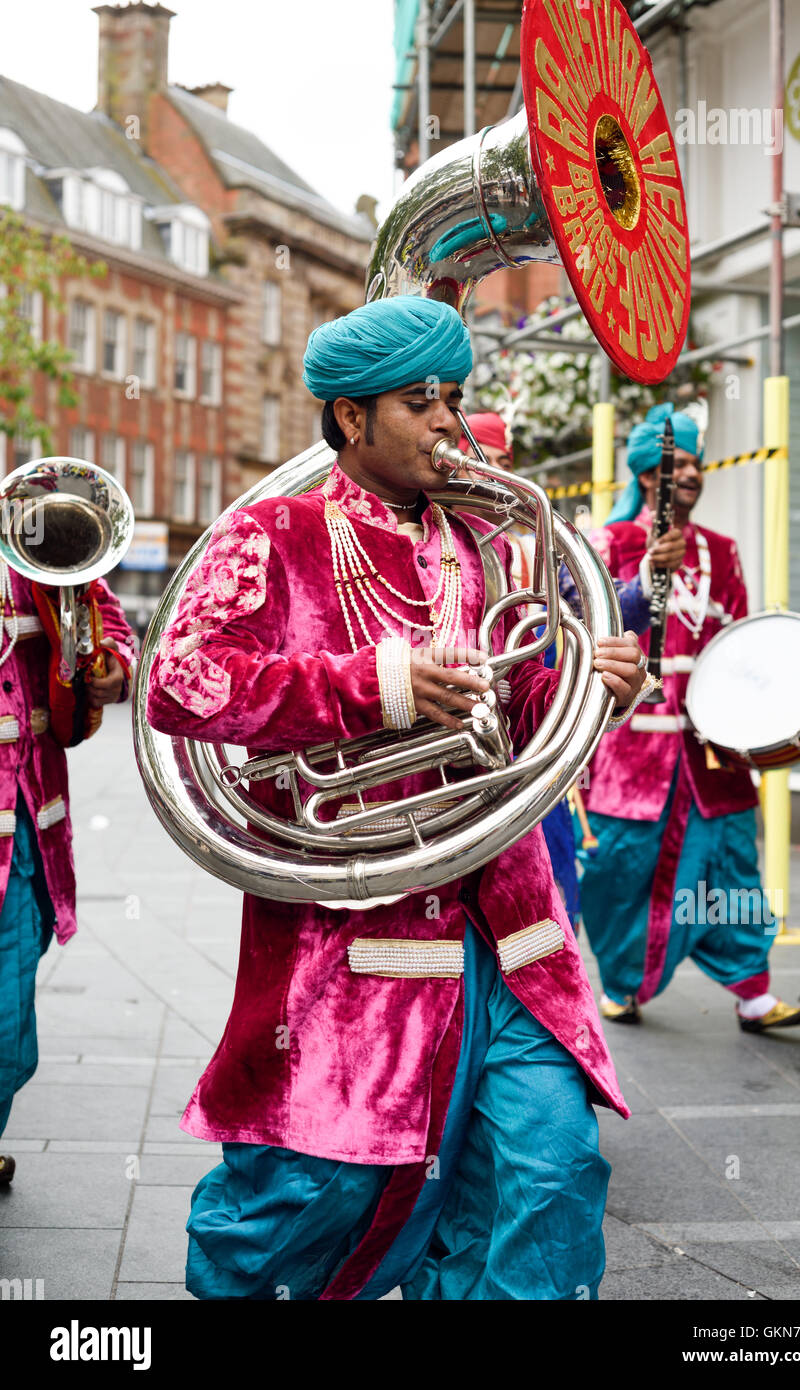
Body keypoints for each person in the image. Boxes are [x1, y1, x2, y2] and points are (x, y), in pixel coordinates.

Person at [146, 295, 650, 1301]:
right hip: (353, 933)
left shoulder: (483, 540)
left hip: (511, 926)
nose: (447, 424)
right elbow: (181, 681)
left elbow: (514, 705)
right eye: (421, 402)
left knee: (550, 1169)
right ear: (349, 418)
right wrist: (372, 686)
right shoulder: (272, 532)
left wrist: (593, 684)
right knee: (306, 1198)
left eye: (452, 399)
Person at [579, 402, 800, 1034]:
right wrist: (642, 581)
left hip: (714, 751)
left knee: (733, 866)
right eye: (677, 463)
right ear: (648, 477)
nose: (690, 472)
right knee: (619, 872)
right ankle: (622, 984)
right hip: (633, 757)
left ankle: (754, 994)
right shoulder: (610, 542)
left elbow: (737, 643)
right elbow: (586, 632)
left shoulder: (724, 550)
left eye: (695, 463)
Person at [459, 410, 684, 926]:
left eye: (499, 465)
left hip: (531, 745)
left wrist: (648, 576)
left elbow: (595, 616)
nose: (489, 480)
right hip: (450, 757)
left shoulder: (538, 550)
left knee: (550, 897)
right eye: (479, 464)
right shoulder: (427, 546)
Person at [0, 560, 135, 1185]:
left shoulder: (38, 541)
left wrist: (115, 670)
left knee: (10, 1031)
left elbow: (109, 620)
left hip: (26, 827)